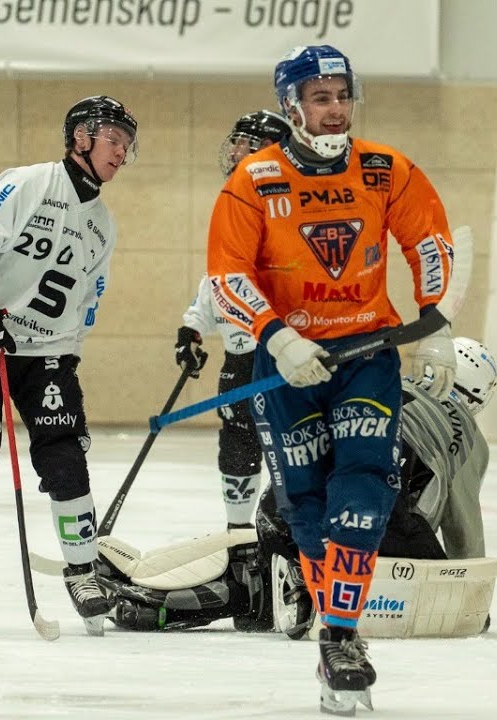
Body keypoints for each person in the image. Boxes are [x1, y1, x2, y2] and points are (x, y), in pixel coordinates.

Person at [207, 44, 457, 713]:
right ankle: (333, 629)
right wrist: (278, 337)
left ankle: (341, 637)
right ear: (292, 106)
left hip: (366, 355)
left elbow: (429, 241)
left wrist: (436, 319)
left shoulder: (385, 168)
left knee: (364, 490)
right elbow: (227, 274)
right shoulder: (254, 179)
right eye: (321, 97)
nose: (336, 108)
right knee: (308, 508)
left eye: (343, 95)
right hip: (288, 364)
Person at [102, 337, 497, 639]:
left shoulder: (387, 382)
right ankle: (301, 580)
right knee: (414, 550)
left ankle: (148, 588)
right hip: (371, 499)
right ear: (477, 395)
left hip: (294, 483)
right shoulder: (469, 433)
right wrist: (472, 599)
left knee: (258, 562)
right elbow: (464, 530)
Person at [0, 95, 136, 636]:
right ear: (81, 137)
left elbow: (90, 296)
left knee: (65, 455)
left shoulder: (103, 225)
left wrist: (70, 349)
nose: (121, 152)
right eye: (113, 139)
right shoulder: (29, 184)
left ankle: (82, 572)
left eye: (127, 145)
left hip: (46, 352)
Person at [175, 110, 290, 530]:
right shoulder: (232, 201)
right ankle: (239, 535)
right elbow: (221, 274)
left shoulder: (291, 206)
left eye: (249, 144)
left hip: (283, 354)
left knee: (292, 444)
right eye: (237, 142)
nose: (237, 151)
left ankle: (289, 530)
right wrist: (193, 326)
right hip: (241, 357)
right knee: (238, 439)